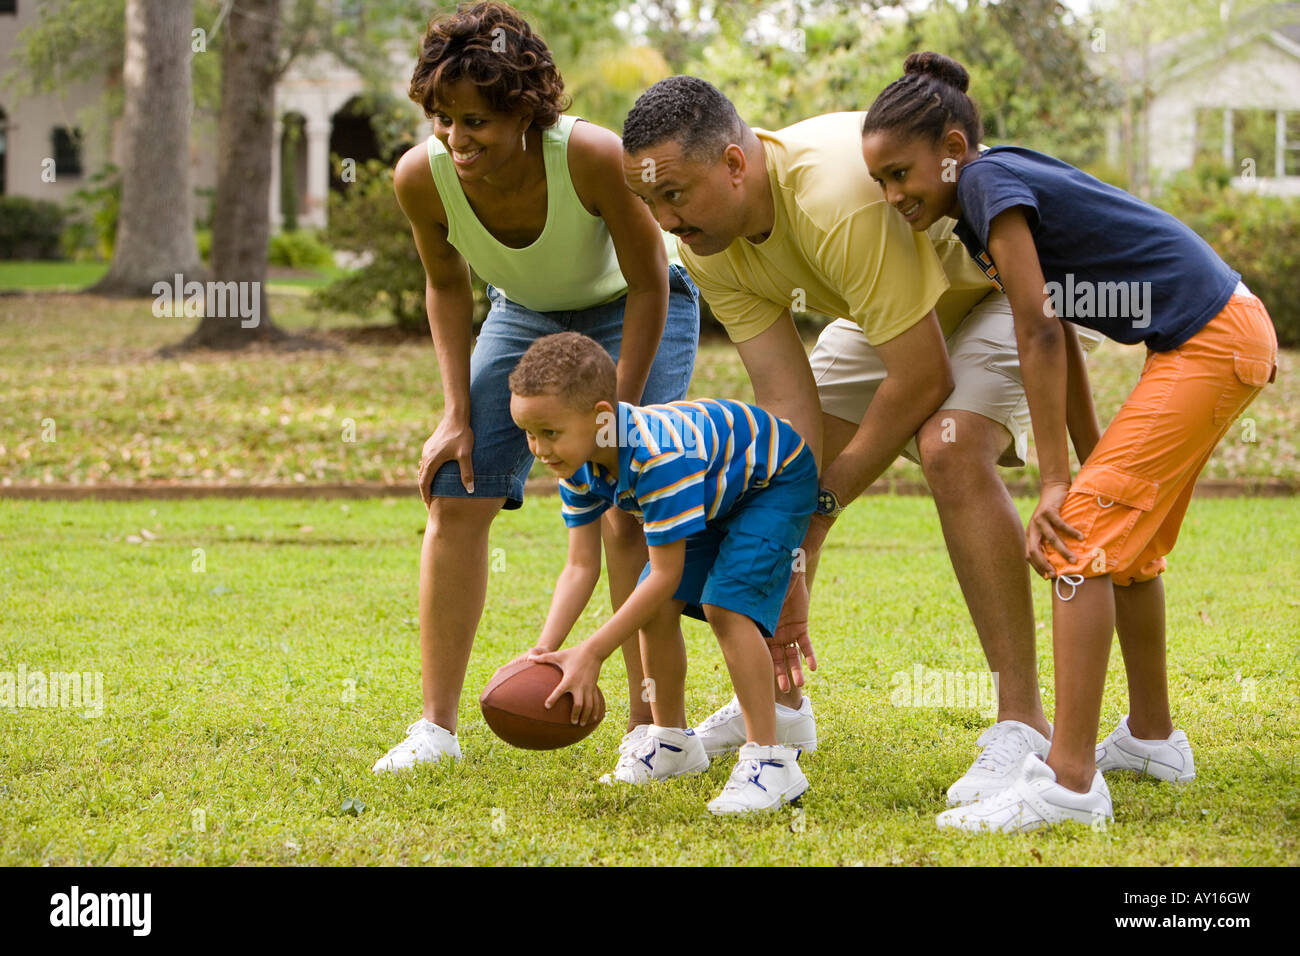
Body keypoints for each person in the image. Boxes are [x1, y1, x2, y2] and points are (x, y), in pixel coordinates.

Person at [621, 77, 1101, 801]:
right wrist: (792, 521)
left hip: (1000, 291)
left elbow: (921, 379)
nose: (664, 220)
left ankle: (1022, 720)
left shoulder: (829, 198)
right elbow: (788, 408)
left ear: (733, 163)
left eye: (676, 195)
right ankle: (781, 706)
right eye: (650, 201)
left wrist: (822, 504)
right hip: (897, 312)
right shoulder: (706, 245)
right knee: (776, 477)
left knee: (947, 447)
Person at [859, 51, 1277, 831]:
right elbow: (1063, 325)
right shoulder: (992, 189)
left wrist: (1060, 483)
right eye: (879, 181)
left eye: (900, 173)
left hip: (1209, 339)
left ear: (952, 147)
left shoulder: (985, 185)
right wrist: (1084, 461)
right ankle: (1153, 740)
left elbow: (1039, 327)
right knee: (1130, 549)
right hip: (1220, 333)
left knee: (1076, 541)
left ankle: (1070, 784)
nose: (890, 196)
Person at [372, 2, 699, 773]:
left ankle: (652, 734)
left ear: (525, 109)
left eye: (477, 120)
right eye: (444, 118)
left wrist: (620, 410)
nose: (457, 139)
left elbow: (652, 280)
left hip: (634, 306)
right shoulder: (423, 176)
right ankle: (436, 731)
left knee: (628, 506)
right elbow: (446, 288)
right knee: (456, 488)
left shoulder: (588, 156)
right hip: (523, 312)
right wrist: (457, 412)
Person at [512, 332, 817, 814]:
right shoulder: (576, 464)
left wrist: (592, 652)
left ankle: (770, 761)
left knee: (726, 606)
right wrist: (545, 651)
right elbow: (580, 566)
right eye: (529, 433)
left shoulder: (658, 458)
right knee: (653, 609)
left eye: (550, 432)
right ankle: (672, 742)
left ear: (602, 418)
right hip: (717, 488)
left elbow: (665, 575)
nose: (540, 450)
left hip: (773, 481)